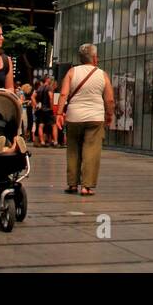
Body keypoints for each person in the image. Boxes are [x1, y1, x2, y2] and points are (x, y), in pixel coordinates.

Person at [56, 44, 113, 196]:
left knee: (73, 149)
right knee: (91, 150)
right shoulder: (102, 75)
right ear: (94, 58)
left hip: (74, 117)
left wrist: (59, 114)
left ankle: (73, 184)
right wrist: (109, 115)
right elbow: (109, 99)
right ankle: (86, 186)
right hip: (95, 117)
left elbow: (63, 94)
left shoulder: (72, 72)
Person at [35, 76, 55, 147]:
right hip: (48, 109)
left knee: (41, 125)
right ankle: (55, 141)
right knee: (53, 125)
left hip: (41, 109)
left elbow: (33, 96)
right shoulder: (49, 87)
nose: (50, 80)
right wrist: (52, 107)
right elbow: (50, 97)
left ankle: (42, 141)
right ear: (47, 80)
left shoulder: (40, 88)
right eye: (49, 79)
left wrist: (36, 105)